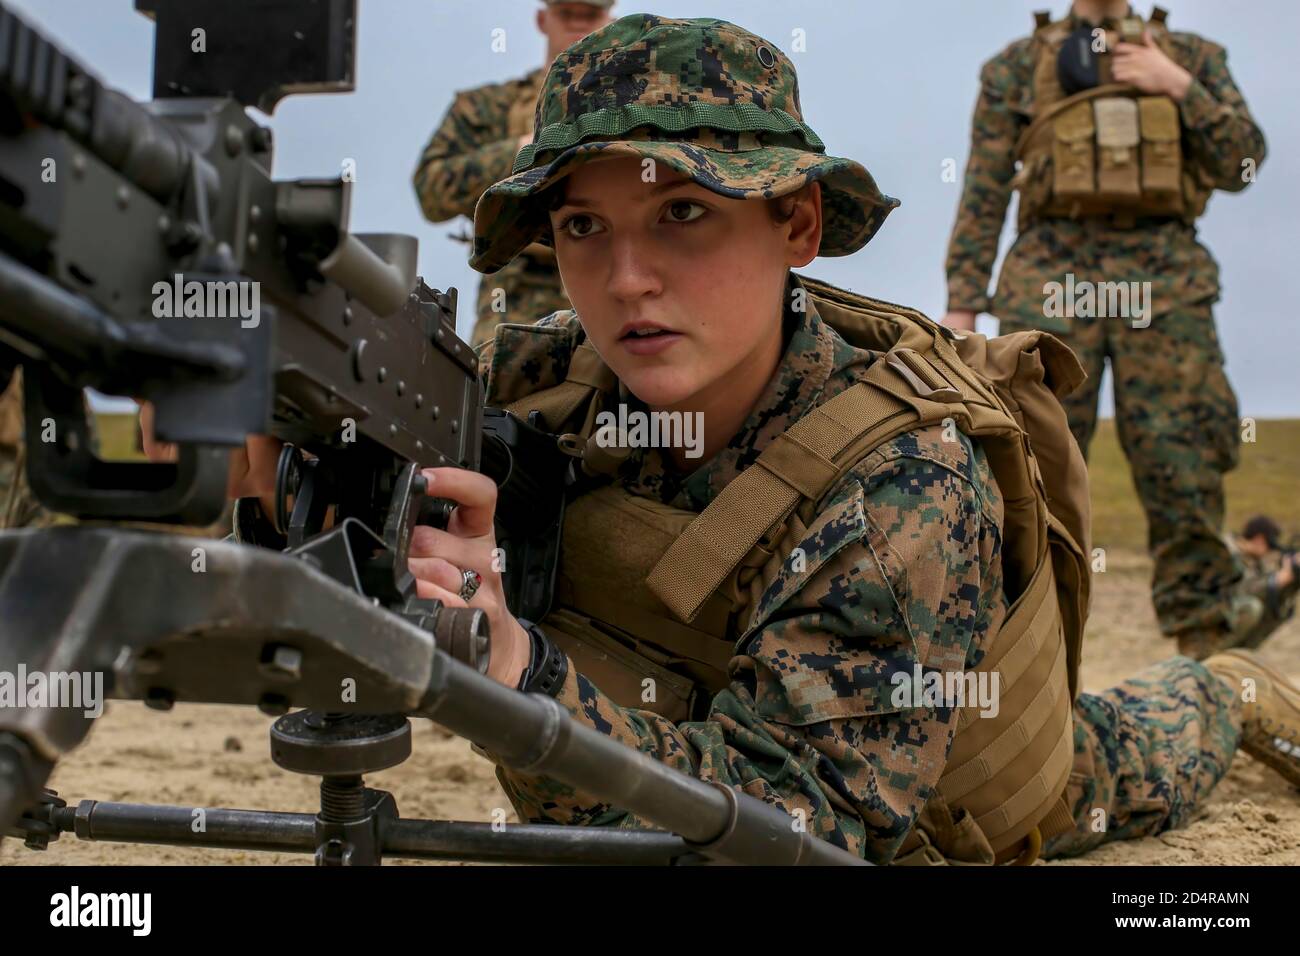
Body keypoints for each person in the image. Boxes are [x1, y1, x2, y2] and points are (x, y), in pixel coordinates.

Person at [223, 15, 1299, 865]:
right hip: (696, 715)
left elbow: (792, 831)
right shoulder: (546, 376)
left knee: (1138, 739)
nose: (626, 277)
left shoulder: (902, 485)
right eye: (582, 226)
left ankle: (1239, 685)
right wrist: (288, 485)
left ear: (796, 224)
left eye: (683, 213)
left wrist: (513, 663)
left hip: (958, 782)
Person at [940, 2, 1267, 660]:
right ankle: (1034, 679)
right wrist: (962, 305)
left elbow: (1242, 166)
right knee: (1033, 473)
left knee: (1184, 466)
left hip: (1166, 283)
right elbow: (984, 185)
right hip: (1051, 280)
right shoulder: (1015, 68)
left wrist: (1177, 86)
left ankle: (1205, 662)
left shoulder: (1193, 57)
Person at [412, 0, 615, 349]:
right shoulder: (491, 107)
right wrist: (526, 147)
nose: (579, 27)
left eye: (591, 17)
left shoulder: (641, 107)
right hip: (517, 306)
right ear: (542, 19)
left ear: (611, 21)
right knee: (498, 399)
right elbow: (432, 189)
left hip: (618, 290)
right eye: (567, 15)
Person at [1227, 516, 1298, 650]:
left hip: (1221, 616)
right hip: (1206, 620)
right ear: (1259, 539)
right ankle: (1215, 656)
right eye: (1270, 545)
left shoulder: (1252, 560)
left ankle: (1237, 655)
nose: (1269, 551)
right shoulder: (1226, 552)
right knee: (1252, 607)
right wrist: (1278, 579)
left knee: (1270, 607)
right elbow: (1237, 592)